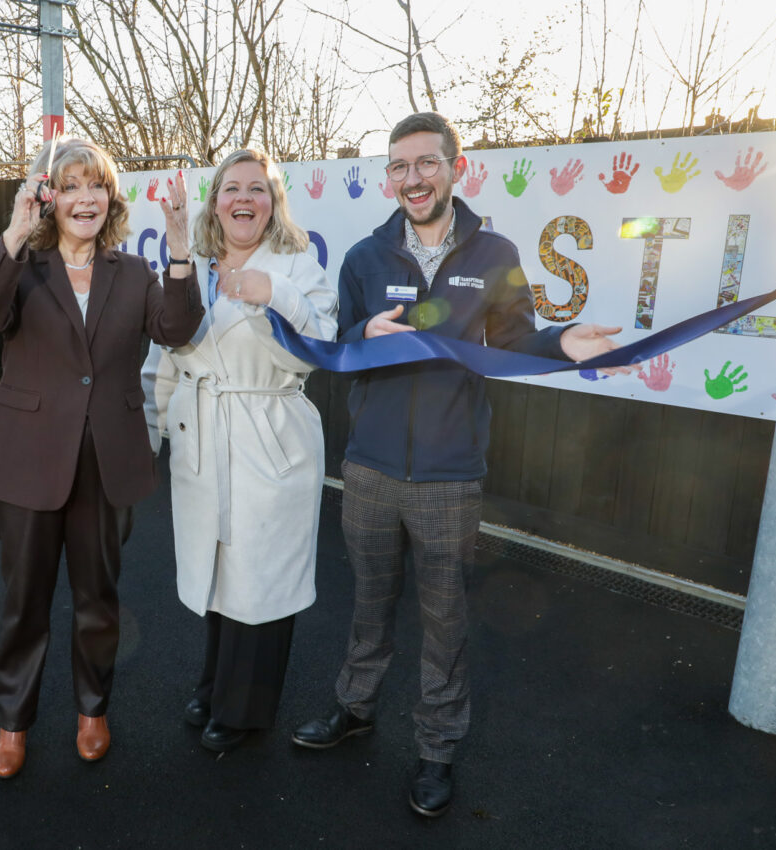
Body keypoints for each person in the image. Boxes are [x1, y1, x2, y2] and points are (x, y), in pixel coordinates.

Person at [291, 112, 633, 817]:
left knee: (445, 624)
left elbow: (515, 343)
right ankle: (353, 711)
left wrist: (561, 342)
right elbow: (336, 344)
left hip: (449, 477)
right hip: (369, 470)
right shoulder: (362, 257)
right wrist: (361, 332)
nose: (411, 178)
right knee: (366, 609)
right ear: (386, 178)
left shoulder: (494, 252)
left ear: (455, 168)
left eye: (424, 164)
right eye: (398, 166)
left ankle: (436, 751)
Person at [0, 138, 204, 779]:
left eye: (95, 185)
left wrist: (180, 247)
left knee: (99, 598)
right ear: (51, 198)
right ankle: (13, 722)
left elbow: (177, 329)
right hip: (26, 461)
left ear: (110, 198)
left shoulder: (133, 274)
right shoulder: (25, 264)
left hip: (106, 461)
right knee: (25, 601)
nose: (84, 198)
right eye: (69, 186)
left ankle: (92, 710)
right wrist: (13, 233)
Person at [141, 148, 338, 753]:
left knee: (262, 579)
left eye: (258, 189)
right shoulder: (191, 265)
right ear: (216, 201)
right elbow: (162, 361)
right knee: (222, 571)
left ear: (273, 202)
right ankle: (215, 681)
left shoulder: (298, 265)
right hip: (202, 433)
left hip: (269, 431)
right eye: (232, 188)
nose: (244, 199)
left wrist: (271, 293)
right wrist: (146, 440)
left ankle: (246, 709)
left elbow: (319, 348)